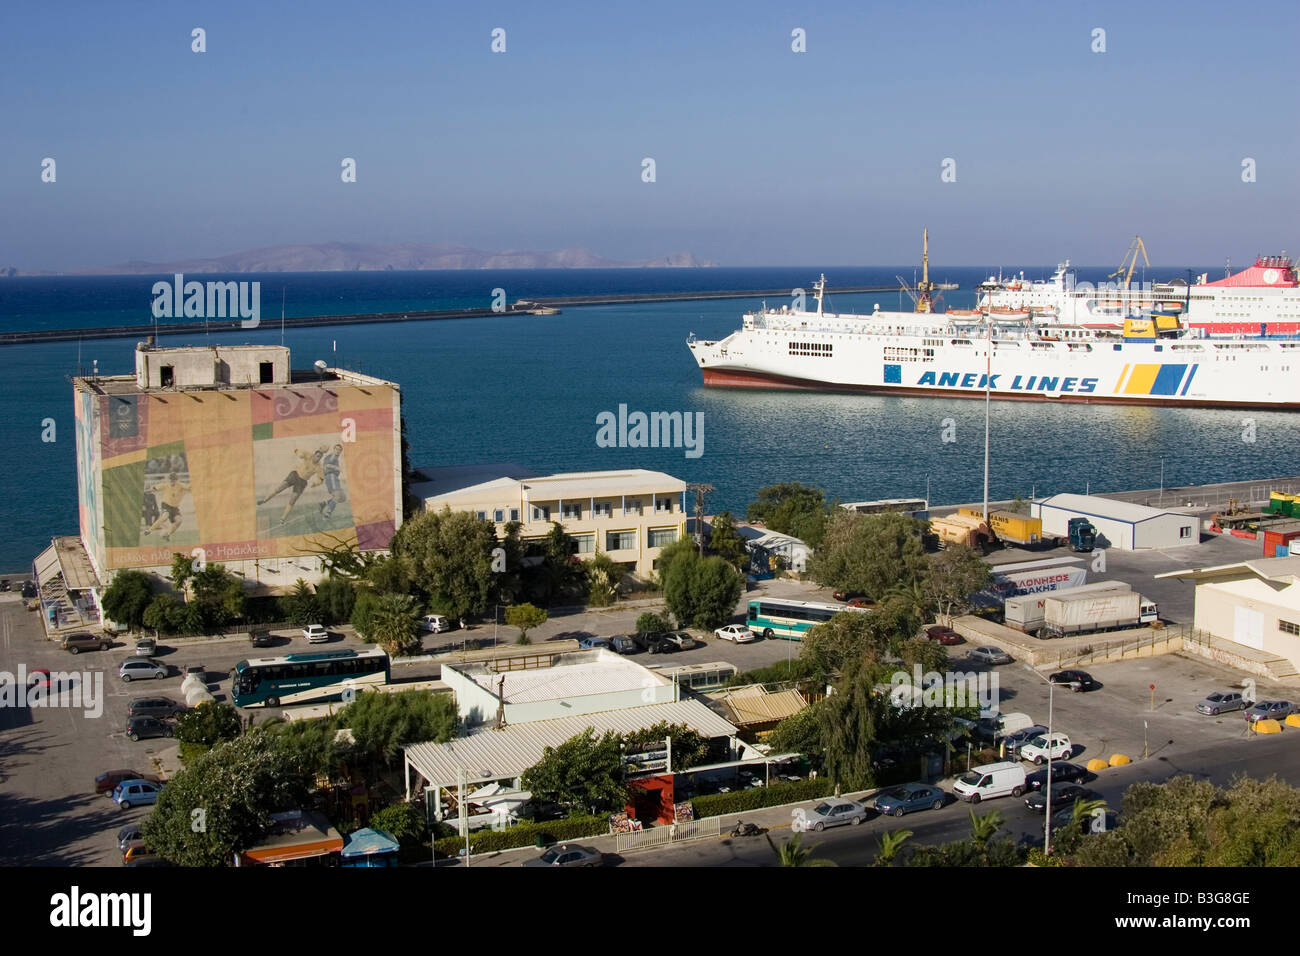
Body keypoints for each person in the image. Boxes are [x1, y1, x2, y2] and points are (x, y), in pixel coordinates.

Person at [259, 447, 326, 524]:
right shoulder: (309, 455)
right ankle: (264, 500)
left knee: (293, 500)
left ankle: (283, 518)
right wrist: (299, 453)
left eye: (320, 457)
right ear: (314, 455)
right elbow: (297, 450)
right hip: (294, 475)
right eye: (317, 456)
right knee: (279, 489)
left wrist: (315, 483)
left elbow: (321, 479)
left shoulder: (319, 467)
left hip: (302, 482)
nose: (318, 459)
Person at [144, 473, 190, 541]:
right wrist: (145, 491)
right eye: (171, 480)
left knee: (179, 521)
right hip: (166, 505)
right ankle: (149, 530)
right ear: (169, 479)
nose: (172, 482)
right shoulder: (165, 485)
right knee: (165, 517)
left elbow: (189, 487)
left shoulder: (181, 486)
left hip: (174, 507)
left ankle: (167, 535)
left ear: (176, 480)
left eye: (174, 480)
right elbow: (153, 488)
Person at [318, 443, 345, 517]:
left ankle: (324, 503)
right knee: (338, 496)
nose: (338, 451)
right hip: (331, 477)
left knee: (342, 497)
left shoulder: (334, 458)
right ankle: (328, 513)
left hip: (333, 478)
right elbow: (327, 465)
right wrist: (337, 468)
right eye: (336, 449)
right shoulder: (333, 456)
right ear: (333, 449)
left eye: (340, 450)